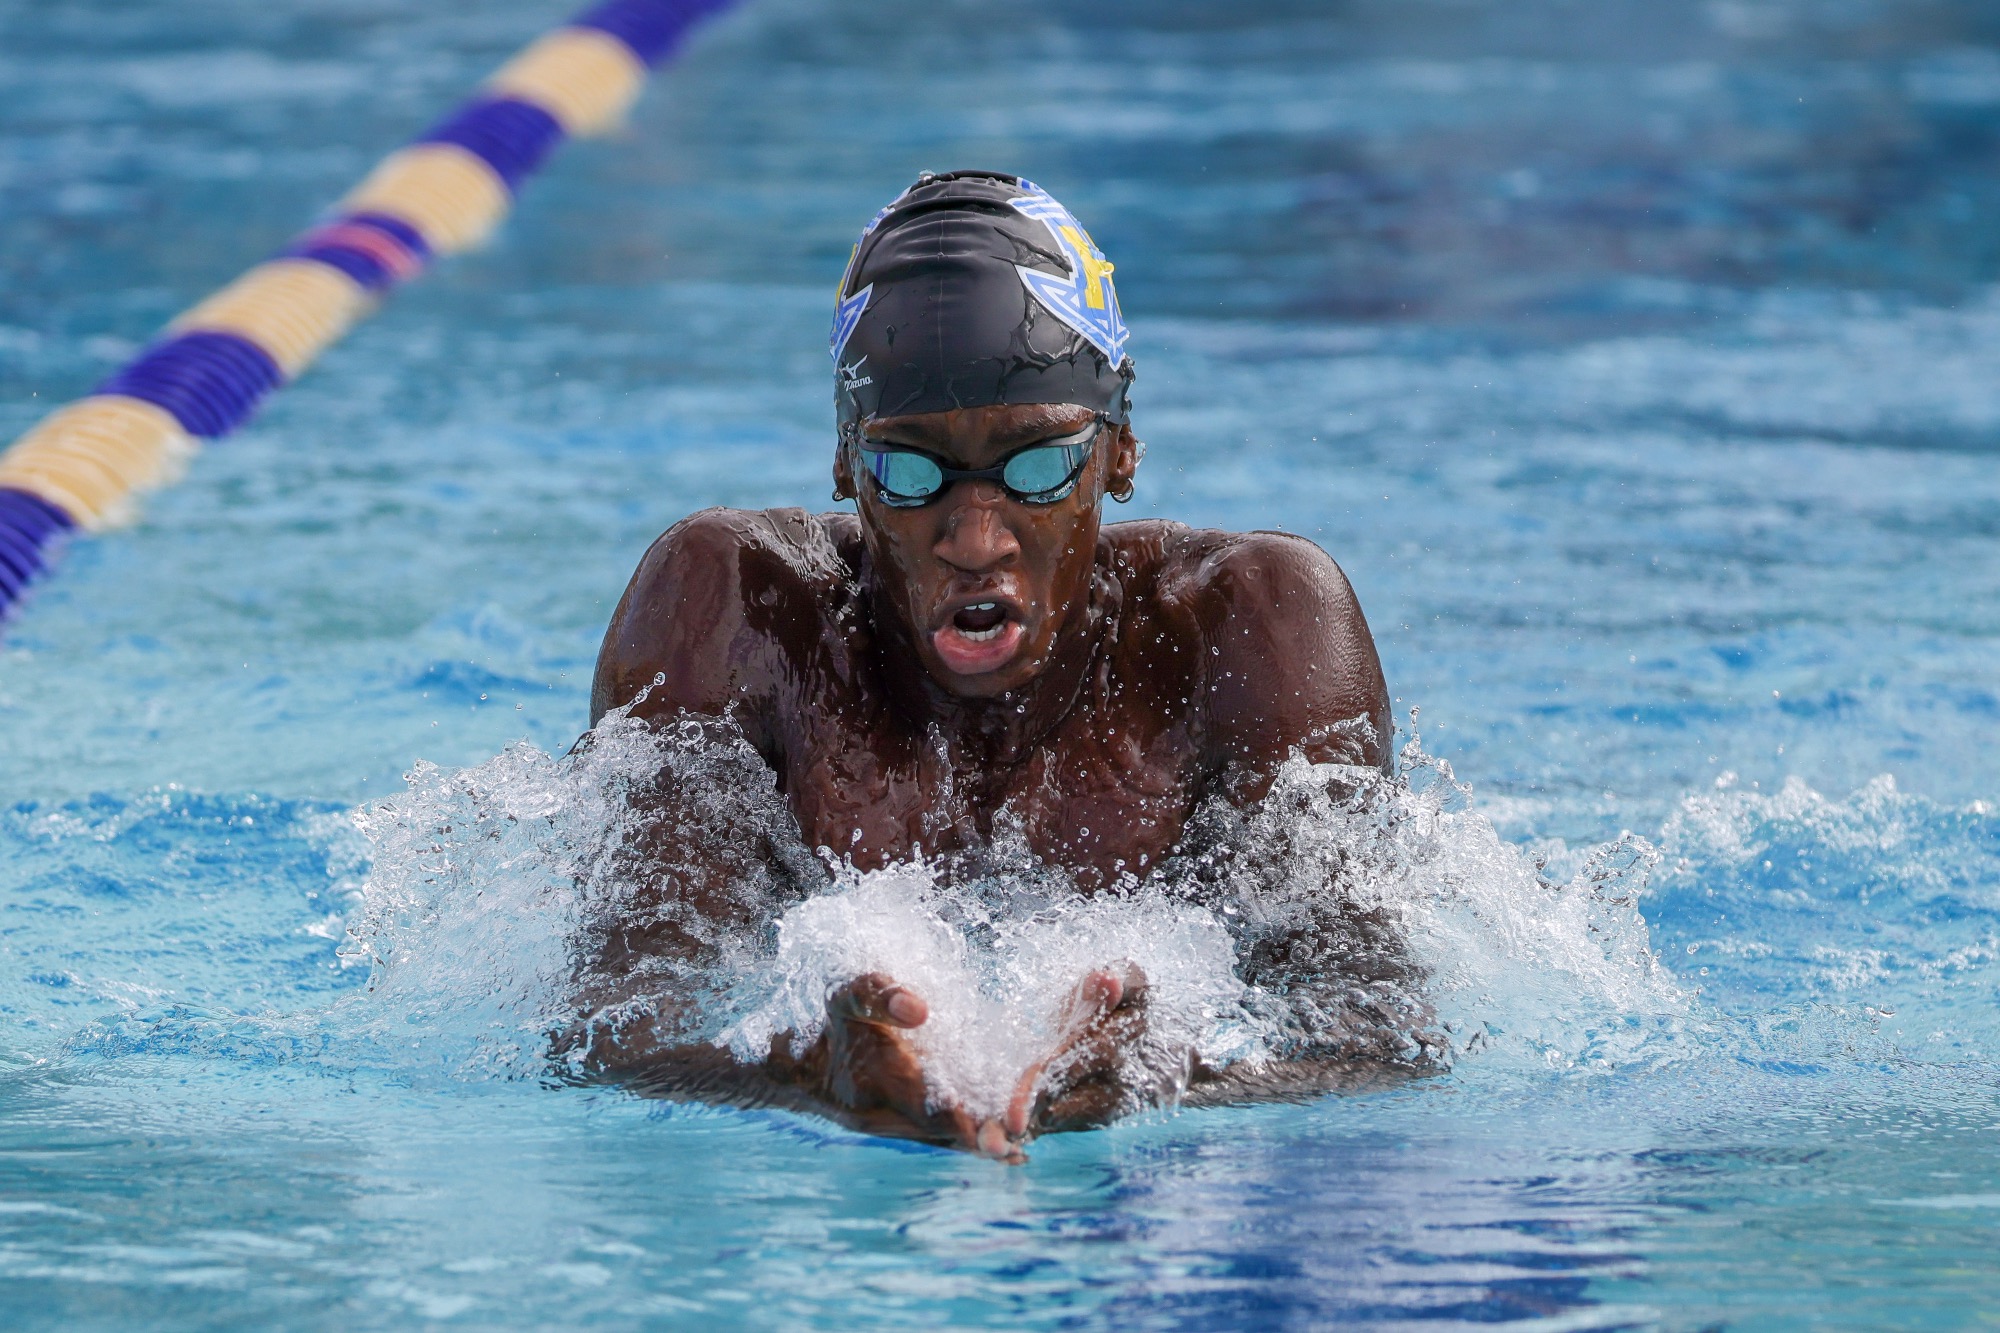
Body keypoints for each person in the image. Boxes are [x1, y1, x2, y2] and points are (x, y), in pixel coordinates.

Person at [577, 170, 1401, 1162]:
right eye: (908, 468)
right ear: (845, 464)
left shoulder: (1249, 625)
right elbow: (610, 1029)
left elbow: (1379, 1035)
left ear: (1120, 452)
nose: (974, 537)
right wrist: (798, 1083)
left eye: (1038, 466)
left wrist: (1174, 1081)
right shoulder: (736, 612)